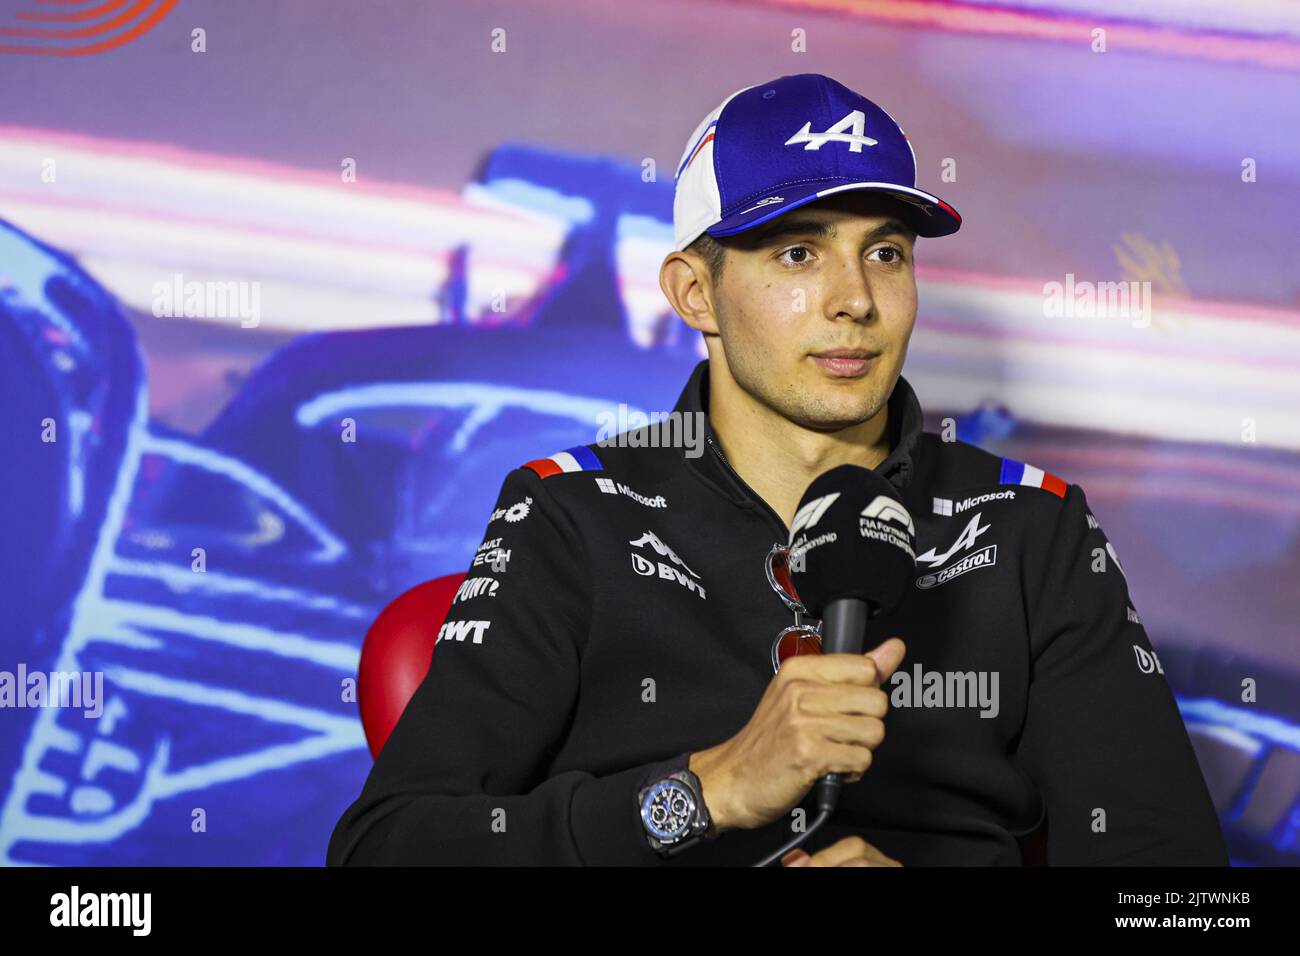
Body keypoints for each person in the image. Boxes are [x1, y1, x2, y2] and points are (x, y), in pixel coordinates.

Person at [326, 73, 1228, 867]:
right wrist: (706, 793)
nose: (856, 301)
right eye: (799, 252)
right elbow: (387, 849)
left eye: (886, 252)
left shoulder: (1031, 527)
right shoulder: (573, 514)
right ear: (694, 293)